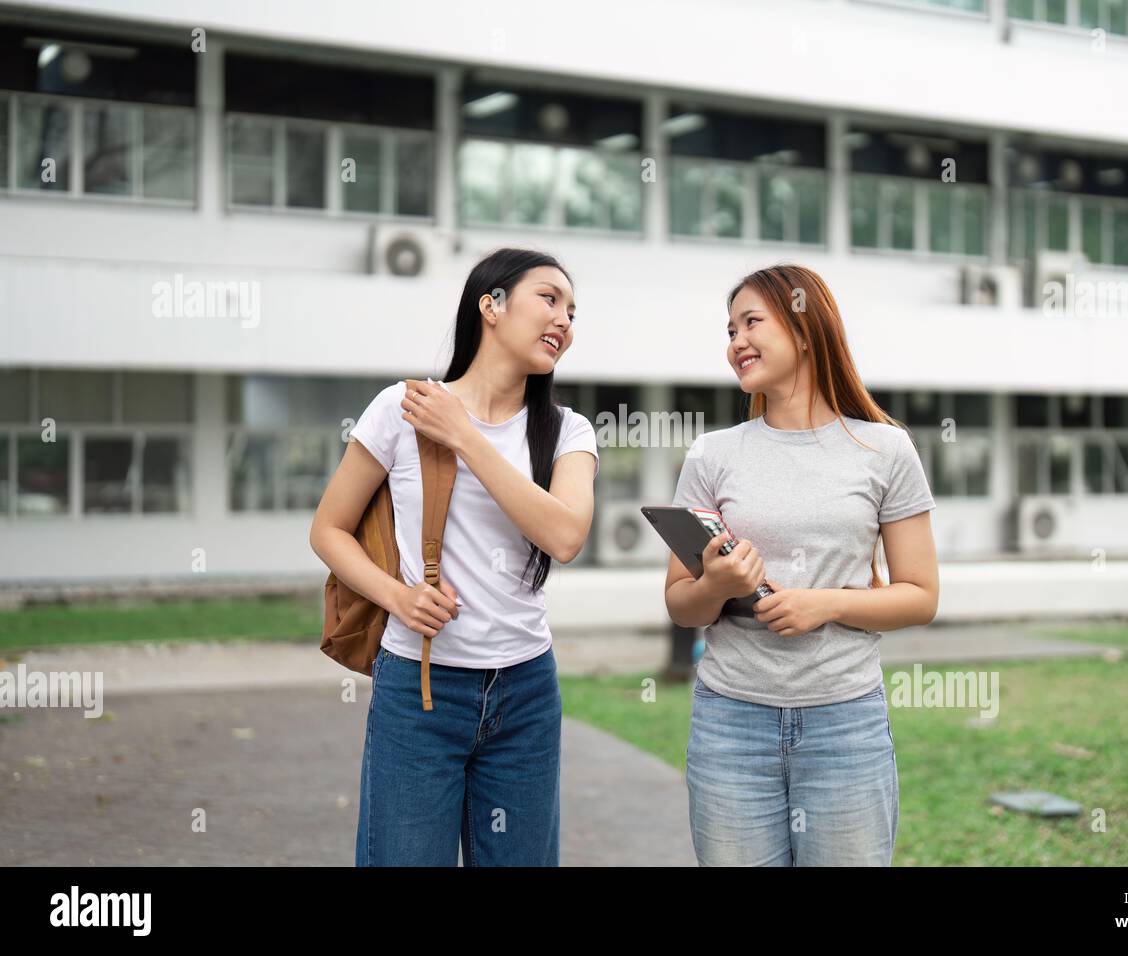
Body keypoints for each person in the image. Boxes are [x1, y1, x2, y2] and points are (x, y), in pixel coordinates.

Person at [310, 248, 599, 866]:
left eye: (573, 311)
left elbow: (566, 535)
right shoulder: (402, 408)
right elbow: (328, 529)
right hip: (419, 689)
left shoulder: (568, 431)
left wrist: (465, 434)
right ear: (490, 306)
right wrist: (398, 597)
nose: (564, 320)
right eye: (549, 298)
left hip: (525, 692)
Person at [664, 263, 940, 866]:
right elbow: (681, 604)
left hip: (845, 725)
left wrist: (828, 603)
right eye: (729, 329)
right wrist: (715, 584)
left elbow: (920, 596)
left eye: (751, 322)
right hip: (729, 724)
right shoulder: (713, 454)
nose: (736, 341)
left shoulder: (885, 449)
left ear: (807, 330)